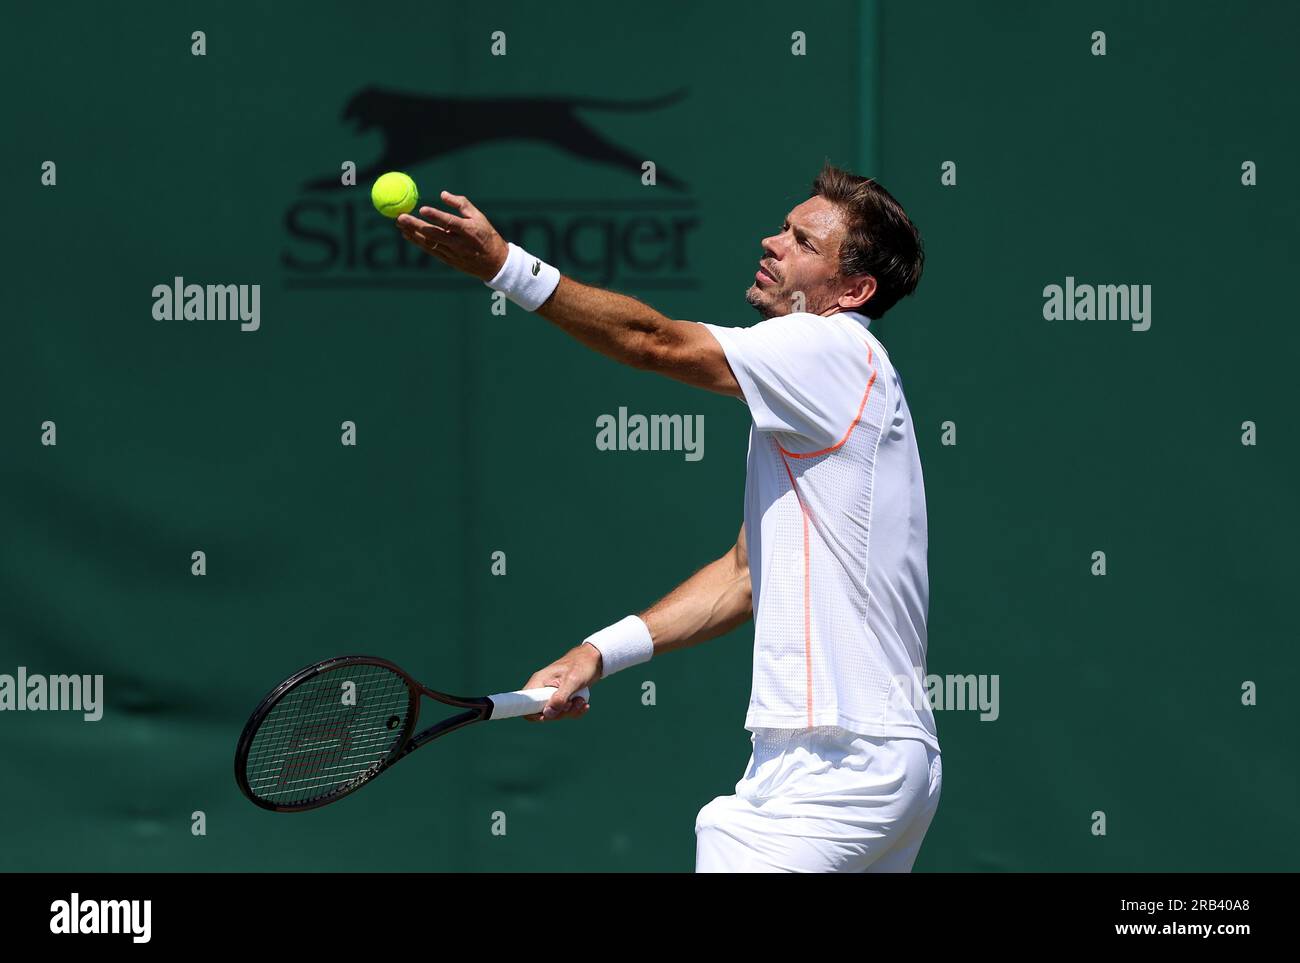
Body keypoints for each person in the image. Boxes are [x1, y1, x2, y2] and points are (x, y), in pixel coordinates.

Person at [397, 162, 941, 872]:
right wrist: (598, 651)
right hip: (853, 759)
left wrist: (507, 267)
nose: (773, 242)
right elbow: (745, 577)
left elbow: (653, 340)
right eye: (783, 227)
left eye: (803, 241)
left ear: (853, 289)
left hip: (841, 761)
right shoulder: (817, 392)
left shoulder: (830, 347)